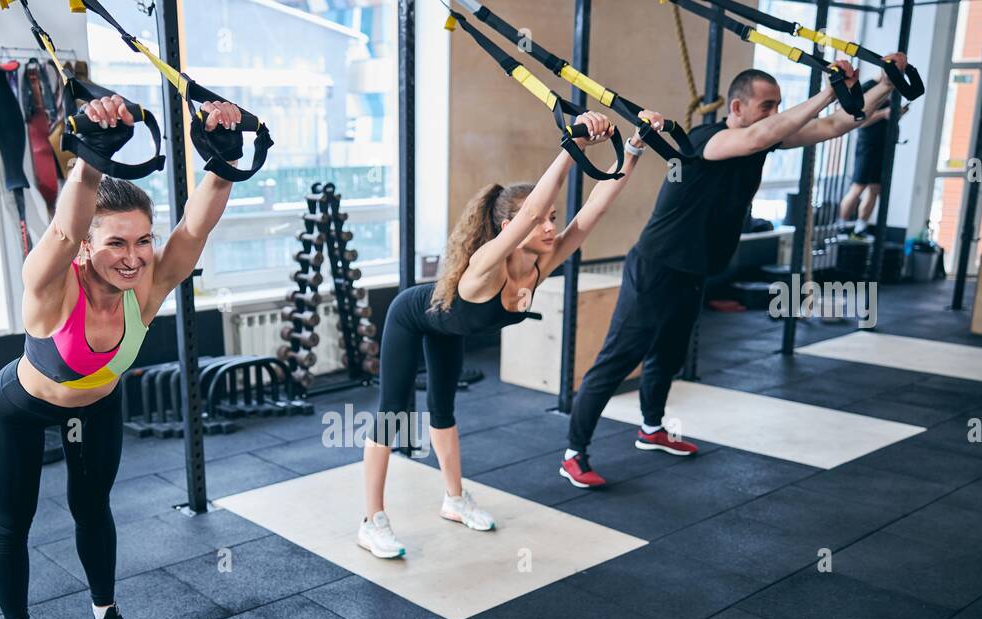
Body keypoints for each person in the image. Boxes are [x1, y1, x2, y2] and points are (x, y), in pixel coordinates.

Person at [0, 93, 243, 619]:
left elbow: (196, 225)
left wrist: (222, 164)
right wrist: (91, 159)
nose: (133, 257)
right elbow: (63, 223)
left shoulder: (147, 287)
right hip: (20, 408)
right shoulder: (49, 283)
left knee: (92, 507)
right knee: (11, 521)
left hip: (96, 406)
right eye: (115, 243)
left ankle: (103, 614)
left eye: (141, 241)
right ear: (84, 248)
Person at [559, 56, 908, 489]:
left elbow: (834, 125)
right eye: (766, 105)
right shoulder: (708, 140)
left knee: (669, 356)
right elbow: (766, 132)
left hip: (694, 270)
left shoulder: (763, 139)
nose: (774, 114)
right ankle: (574, 453)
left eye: (779, 104)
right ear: (737, 108)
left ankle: (651, 430)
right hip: (657, 267)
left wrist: (884, 84)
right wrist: (828, 91)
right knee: (617, 360)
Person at [359, 110, 663, 559]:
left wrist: (635, 146)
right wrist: (572, 147)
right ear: (509, 229)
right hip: (412, 315)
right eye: (539, 220)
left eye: (552, 218)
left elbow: (596, 207)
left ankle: (454, 499)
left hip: (448, 325)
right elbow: (537, 207)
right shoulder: (486, 266)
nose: (549, 226)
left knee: (443, 410)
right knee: (392, 416)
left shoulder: (542, 263)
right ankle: (372, 520)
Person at [838, 80, 908, 235]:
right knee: (858, 186)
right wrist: (884, 114)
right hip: (867, 145)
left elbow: (887, 118)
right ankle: (841, 225)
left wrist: (897, 114)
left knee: (875, 188)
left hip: (883, 146)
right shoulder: (868, 88)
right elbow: (858, 122)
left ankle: (860, 227)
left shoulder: (891, 93)